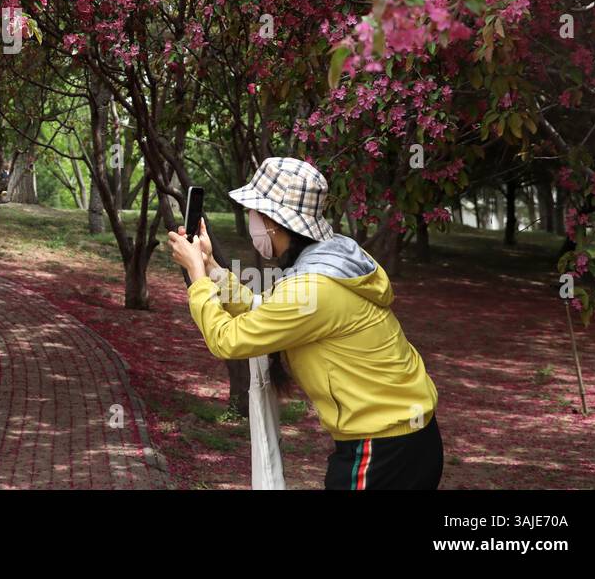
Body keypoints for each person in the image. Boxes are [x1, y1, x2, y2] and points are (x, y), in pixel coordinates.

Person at [166, 157, 443, 490]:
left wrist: (197, 279)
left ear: (273, 221)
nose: (251, 220)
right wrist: (210, 266)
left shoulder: (312, 286)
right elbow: (265, 310)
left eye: (254, 212)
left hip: (383, 448)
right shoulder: (329, 260)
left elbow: (227, 340)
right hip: (406, 437)